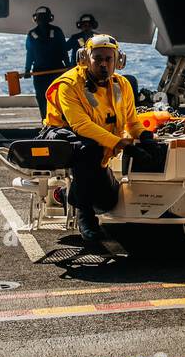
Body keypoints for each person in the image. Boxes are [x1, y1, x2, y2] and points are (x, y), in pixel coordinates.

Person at [41, 34, 154, 243]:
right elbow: (81, 125)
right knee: (88, 149)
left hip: (99, 143)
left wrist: (146, 137)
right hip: (60, 135)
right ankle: (86, 219)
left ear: (118, 60)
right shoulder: (69, 85)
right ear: (85, 59)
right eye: (98, 58)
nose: (103, 64)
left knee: (108, 202)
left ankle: (66, 196)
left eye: (108, 59)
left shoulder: (123, 85)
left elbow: (132, 122)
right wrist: (120, 143)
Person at [24, 6, 68, 120]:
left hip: (44, 72)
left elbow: (30, 54)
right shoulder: (56, 31)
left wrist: (27, 70)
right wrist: (68, 66)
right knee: (55, 97)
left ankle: (47, 122)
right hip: (53, 71)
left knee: (45, 98)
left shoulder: (32, 34)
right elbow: (64, 50)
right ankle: (54, 121)